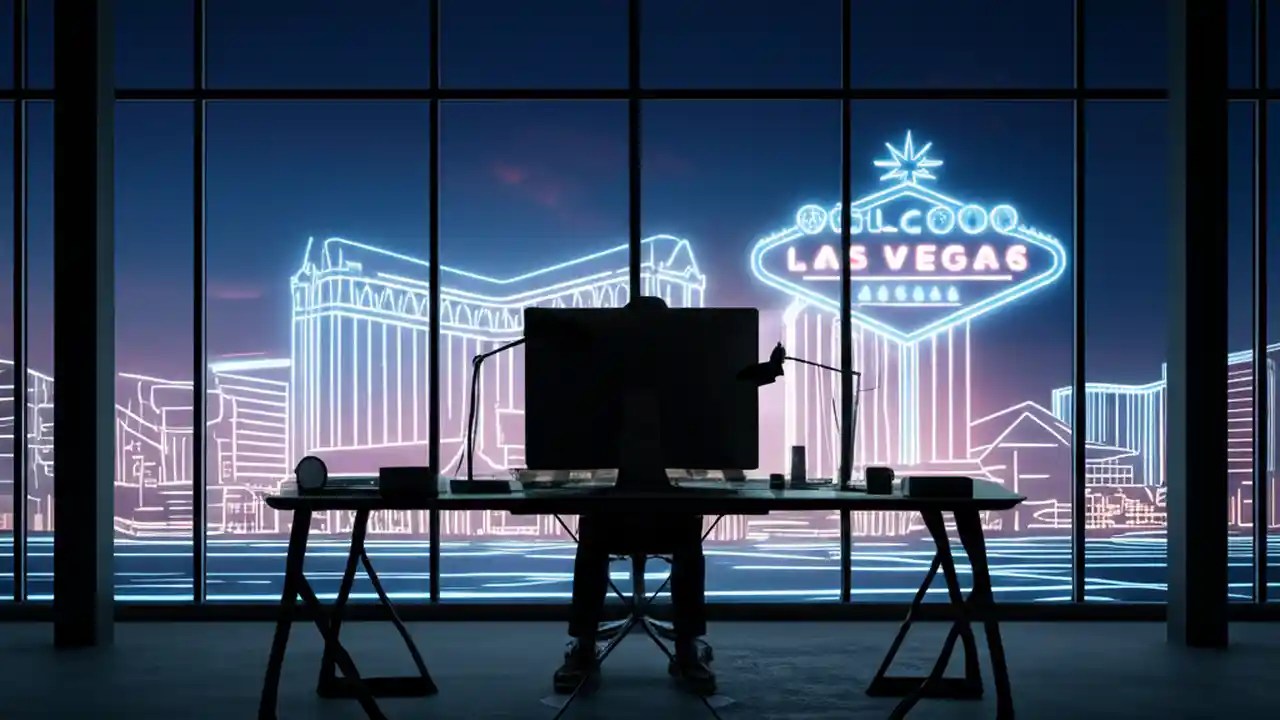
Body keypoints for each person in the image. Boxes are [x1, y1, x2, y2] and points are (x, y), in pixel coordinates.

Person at [553, 511, 716, 696]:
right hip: (661, 524)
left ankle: (584, 646)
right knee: (688, 532)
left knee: (592, 530)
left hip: (618, 524)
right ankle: (687, 649)